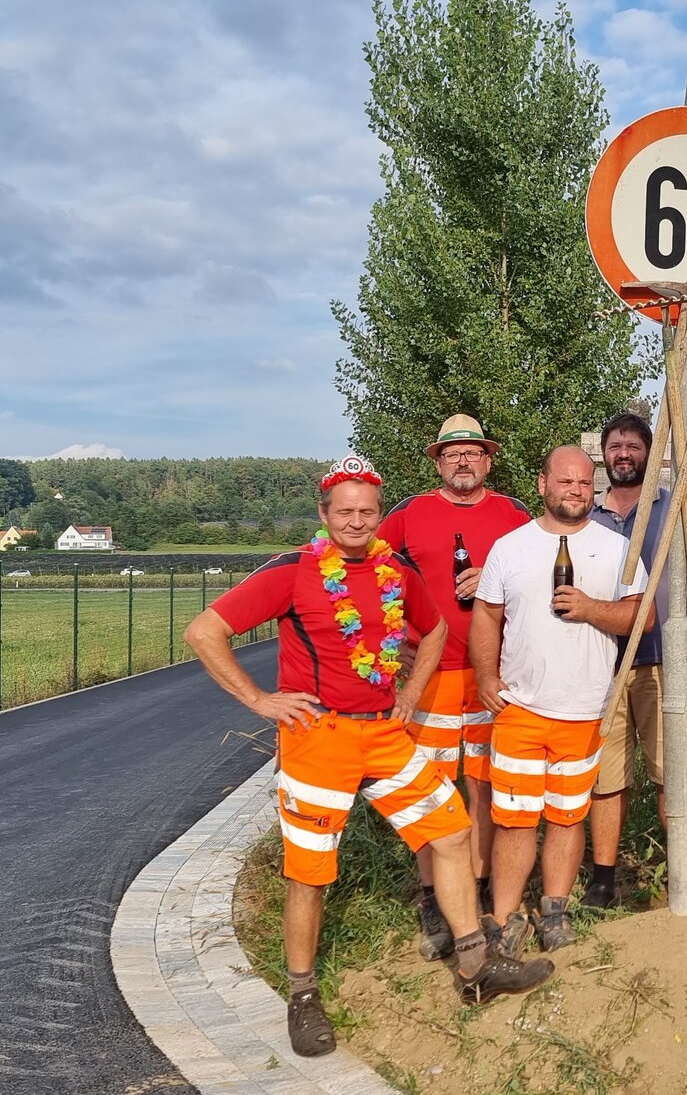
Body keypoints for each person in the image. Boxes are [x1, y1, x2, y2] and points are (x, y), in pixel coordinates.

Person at [182, 456, 551, 1057]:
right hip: (318, 737)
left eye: (367, 512)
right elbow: (204, 632)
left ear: (381, 516)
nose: (356, 521)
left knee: (452, 831)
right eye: (345, 511)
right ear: (324, 514)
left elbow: (434, 630)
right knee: (309, 872)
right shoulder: (293, 571)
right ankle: (303, 995)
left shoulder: (395, 570)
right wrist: (259, 700)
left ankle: (475, 965)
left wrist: (410, 693)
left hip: (384, 733)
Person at [470, 447, 644, 951]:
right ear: (543, 483)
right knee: (515, 820)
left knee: (568, 818)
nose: (576, 491)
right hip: (519, 709)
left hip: (585, 710)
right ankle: (504, 921)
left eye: (585, 483)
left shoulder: (617, 548)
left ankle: (555, 914)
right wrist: (486, 676)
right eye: (566, 481)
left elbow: (642, 617)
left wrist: (591, 609)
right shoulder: (511, 547)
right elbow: (486, 617)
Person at [376, 413, 530, 959]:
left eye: (472, 451)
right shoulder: (408, 514)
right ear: (438, 462)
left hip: (494, 673)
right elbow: (364, 575)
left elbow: (540, 580)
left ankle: (481, 895)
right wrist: (393, 640)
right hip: (432, 676)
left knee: (487, 787)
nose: (463, 460)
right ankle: (434, 902)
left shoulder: (514, 515)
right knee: (431, 791)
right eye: (452, 453)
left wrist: (494, 575)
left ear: (488, 460)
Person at [585, 411, 687, 909]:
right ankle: (603, 879)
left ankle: (679, 875)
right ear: (604, 454)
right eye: (616, 446)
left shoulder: (674, 507)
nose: (624, 455)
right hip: (603, 666)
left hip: (665, 662)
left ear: (650, 454)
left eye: (634, 447)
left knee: (670, 775)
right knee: (606, 779)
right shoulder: (587, 515)